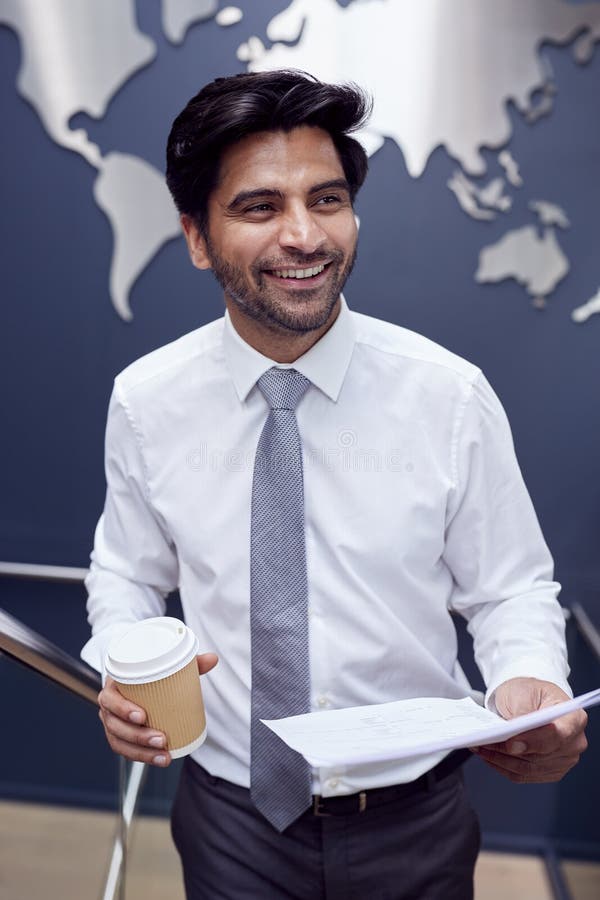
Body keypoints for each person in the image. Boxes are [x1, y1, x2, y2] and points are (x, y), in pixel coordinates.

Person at [82, 70, 587, 899]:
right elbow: (125, 573)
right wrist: (123, 671)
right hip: (232, 816)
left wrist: (531, 679)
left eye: (327, 200)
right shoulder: (147, 400)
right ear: (197, 237)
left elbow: (510, 588)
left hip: (416, 819)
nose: (304, 235)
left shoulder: (448, 395)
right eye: (260, 207)